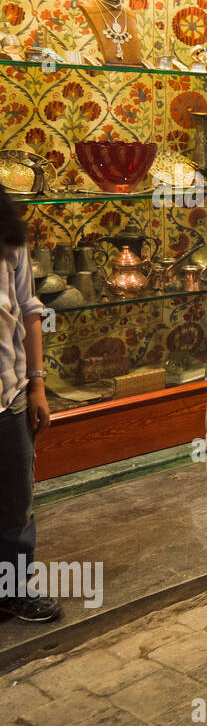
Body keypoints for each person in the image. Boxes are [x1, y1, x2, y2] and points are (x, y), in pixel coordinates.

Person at [0, 189, 59, 623]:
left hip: (9, 395)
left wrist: (37, 386)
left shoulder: (9, 238)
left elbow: (29, 311)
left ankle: (12, 593)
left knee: (16, 507)